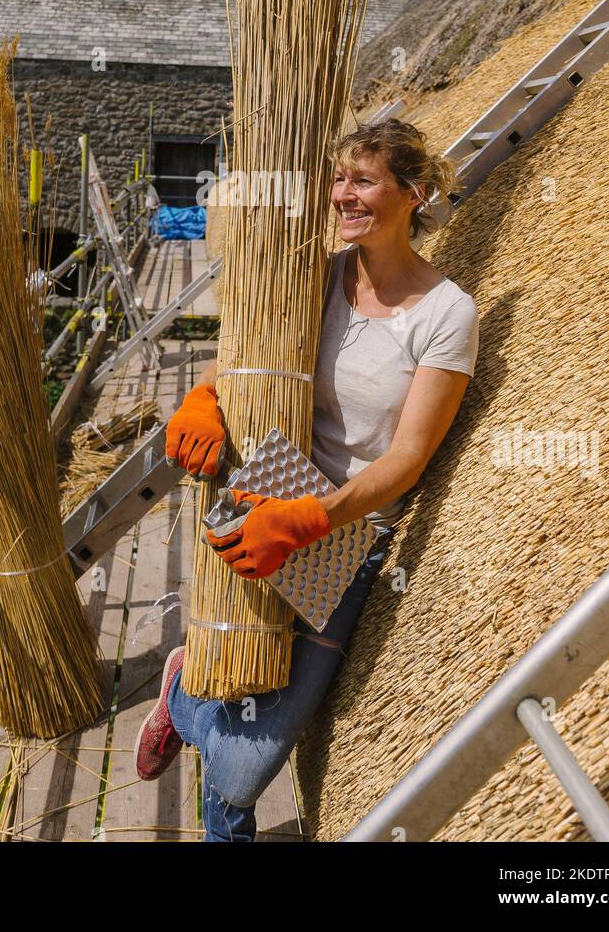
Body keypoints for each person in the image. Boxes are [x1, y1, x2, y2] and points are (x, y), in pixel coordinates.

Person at [132, 118, 480, 841]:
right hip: (263, 485)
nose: (341, 195)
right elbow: (242, 361)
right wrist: (204, 397)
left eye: (362, 180)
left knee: (243, 767)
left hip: (344, 530)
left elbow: (406, 459)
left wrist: (307, 521)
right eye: (337, 179)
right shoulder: (313, 276)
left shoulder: (447, 314)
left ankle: (180, 694)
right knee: (235, 773)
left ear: (411, 193)